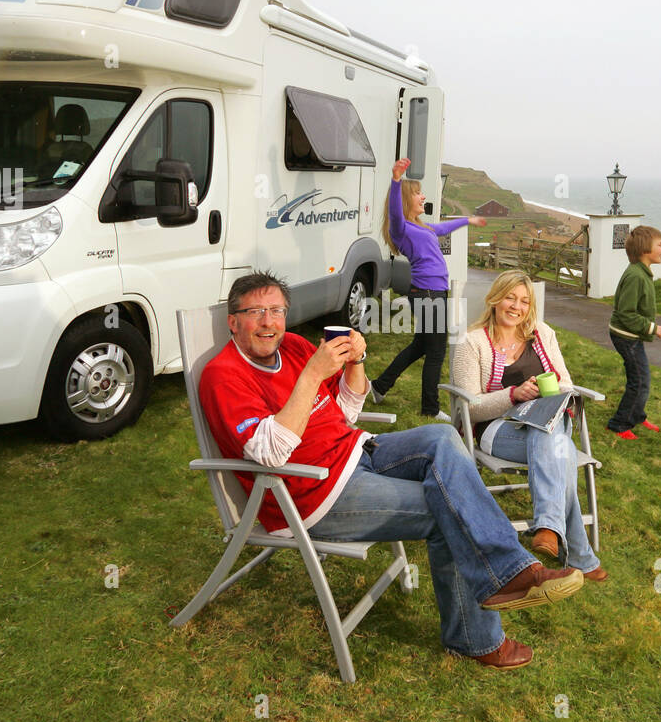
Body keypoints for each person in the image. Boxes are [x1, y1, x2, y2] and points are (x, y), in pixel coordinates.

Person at [198, 270, 583, 671]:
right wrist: (313, 374)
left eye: (276, 310)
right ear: (233, 321)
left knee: (442, 438)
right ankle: (480, 632)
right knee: (448, 507)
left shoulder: (293, 347)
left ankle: (508, 573)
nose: (268, 322)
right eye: (256, 312)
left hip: (355, 452)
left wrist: (356, 361)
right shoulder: (223, 376)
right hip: (312, 493)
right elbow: (271, 455)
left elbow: (346, 412)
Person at [451, 271, 606, 582]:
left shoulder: (542, 334)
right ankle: (575, 550)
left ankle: (550, 527)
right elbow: (469, 405)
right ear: (495, 299)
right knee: (558, 450)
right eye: (510, 297)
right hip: (497, 429)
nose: (516, 307)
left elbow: (565, 383)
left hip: (546, 421)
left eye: (524, 301)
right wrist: (513, 394)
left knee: (548, 433)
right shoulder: (472, 341)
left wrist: (546, 394)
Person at [370, 157, 485, 419]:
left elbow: (443, 227)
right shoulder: (401, 228)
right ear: (405, 199)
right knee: (436, 351)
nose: (423, 197)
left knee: (421, 346)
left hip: (432, 293)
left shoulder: (421, 226)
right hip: (428, 294)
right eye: (418, 193)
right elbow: (394, 213)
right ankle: (430, 409)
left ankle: (379, 386)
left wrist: (468, 220)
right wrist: (396, 179)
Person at [607, 225, 661, 439]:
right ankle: (619, 424)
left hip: (631, 336)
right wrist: (653, 328)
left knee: (642, 378)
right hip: (626, 337)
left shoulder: (641, 272)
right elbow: (626, 314)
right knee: (640, 381)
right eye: (660, 245)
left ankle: (637, 416)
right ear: (645, 250)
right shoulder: (636, 276)